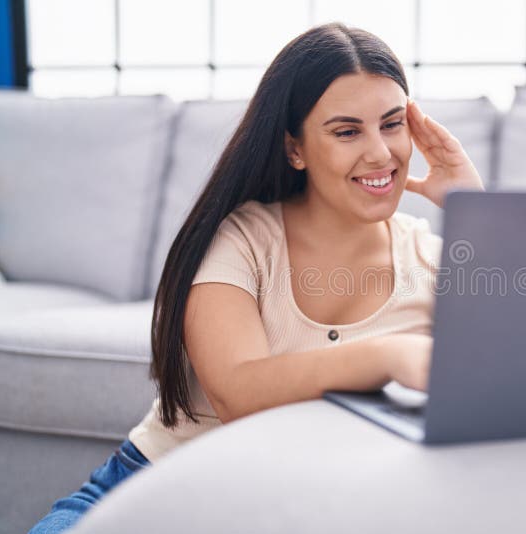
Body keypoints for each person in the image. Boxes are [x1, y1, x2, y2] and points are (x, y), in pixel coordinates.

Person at [28, 21, 483, 533]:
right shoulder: (241, 237)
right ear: (295, 149)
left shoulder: (437, 261)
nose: (380, 152)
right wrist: (388, 355)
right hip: (153, 494)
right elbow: (238, 393)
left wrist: (479, 213)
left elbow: (522, 378)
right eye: (347, 131)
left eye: (392, 123)